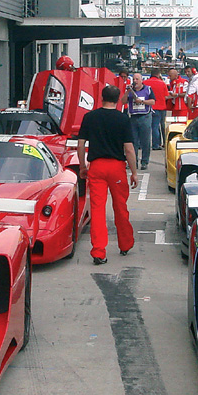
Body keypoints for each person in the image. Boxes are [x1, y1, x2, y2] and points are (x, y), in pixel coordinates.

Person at [76, 84, 137, 264]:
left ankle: (98, 251)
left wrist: (82, 166)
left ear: (101, 98)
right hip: (117, 167)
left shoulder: (89, 117)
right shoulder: (123, 119)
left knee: (97, 209)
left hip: (96, 166)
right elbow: (129, 149)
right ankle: (125, 244)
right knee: (120, 207)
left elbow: (81, 145)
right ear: (118, 99)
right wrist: (133, 172)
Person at [126, 72, 154, 171]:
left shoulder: (148, 89)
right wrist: (127, 91)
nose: (135, 81)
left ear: (141, 80)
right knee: (133, 141)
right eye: (134, 79)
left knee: (145, 141)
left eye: (137, 79)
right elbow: (123, 101)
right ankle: (133, 162)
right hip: (133, 117)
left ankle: (144, 161)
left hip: (145, 116)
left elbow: (153, 101)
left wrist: (142, 101)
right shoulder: (130, 90)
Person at [143, 68, 169, 150]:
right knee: (159, 126)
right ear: (158, 74)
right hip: (160, 107)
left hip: (148, 107)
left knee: (148, 126)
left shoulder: (145, 83)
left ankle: (144, 143)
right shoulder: (162, 83)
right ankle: (157, 144)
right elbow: (166, 96)